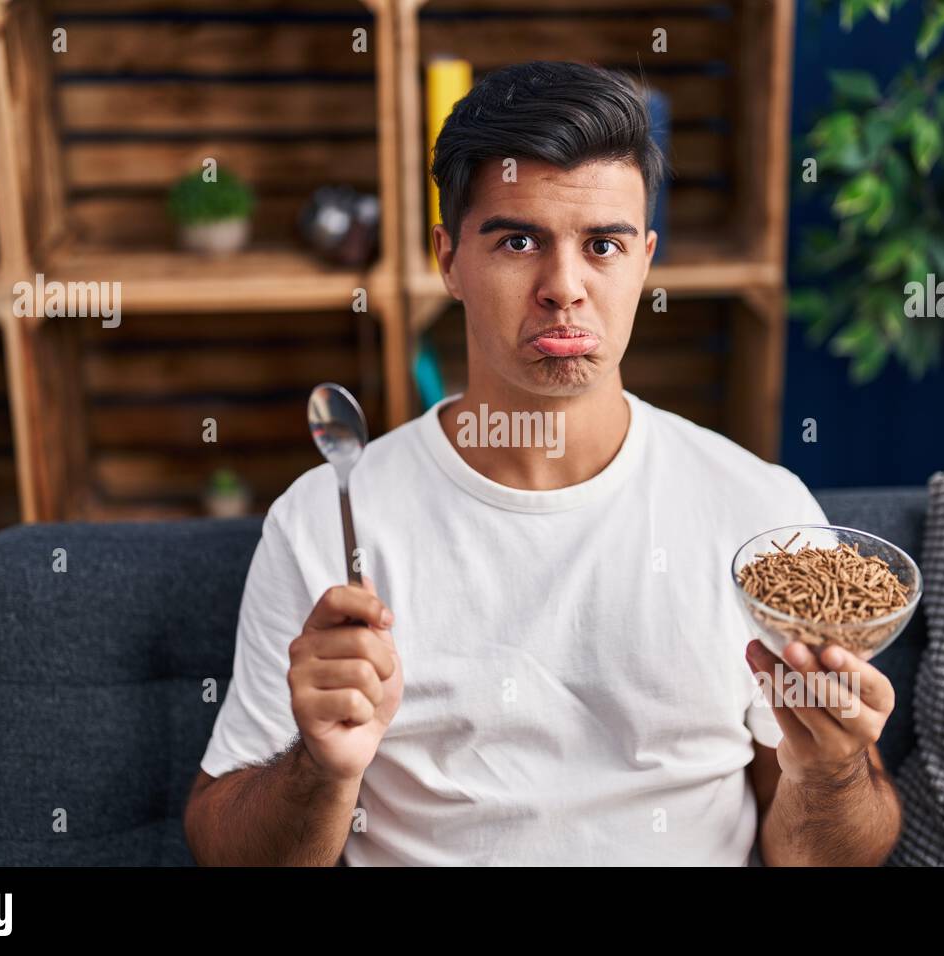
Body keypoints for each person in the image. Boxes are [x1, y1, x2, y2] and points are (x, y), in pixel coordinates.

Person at [183, 60, 901, 866]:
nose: (564, 287)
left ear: (644, 261)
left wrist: (833, 771)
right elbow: (225, 848)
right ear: (448, 259)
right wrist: (321, 766)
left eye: (603, 245)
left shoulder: (762, 515)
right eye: (519, 241)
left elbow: (827, 856)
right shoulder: (326, 519)